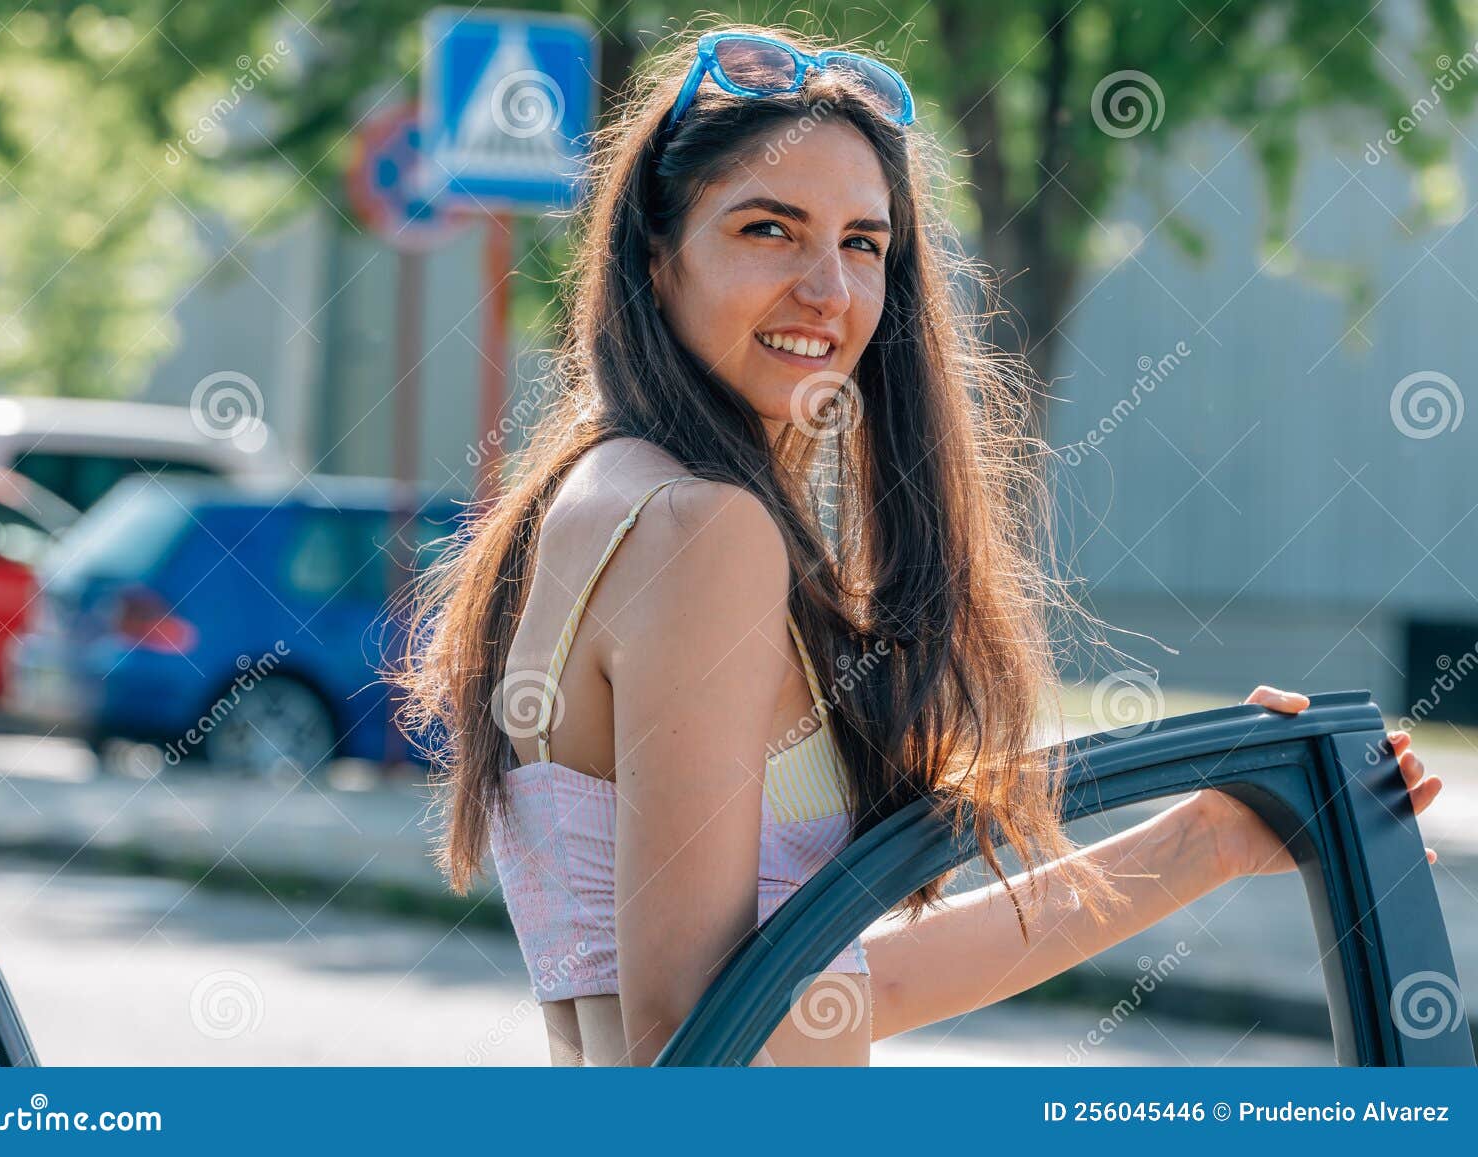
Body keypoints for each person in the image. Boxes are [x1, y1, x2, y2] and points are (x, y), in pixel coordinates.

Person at [391, 24, 1443, 1066]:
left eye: (863, 242)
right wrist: (1188, 847)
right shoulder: (704, 528)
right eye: (768, 228)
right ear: (657, 258)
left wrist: (1208, 830)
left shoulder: (590, 488)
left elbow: (782, 968)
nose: (830, 290)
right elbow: (710, 1024)